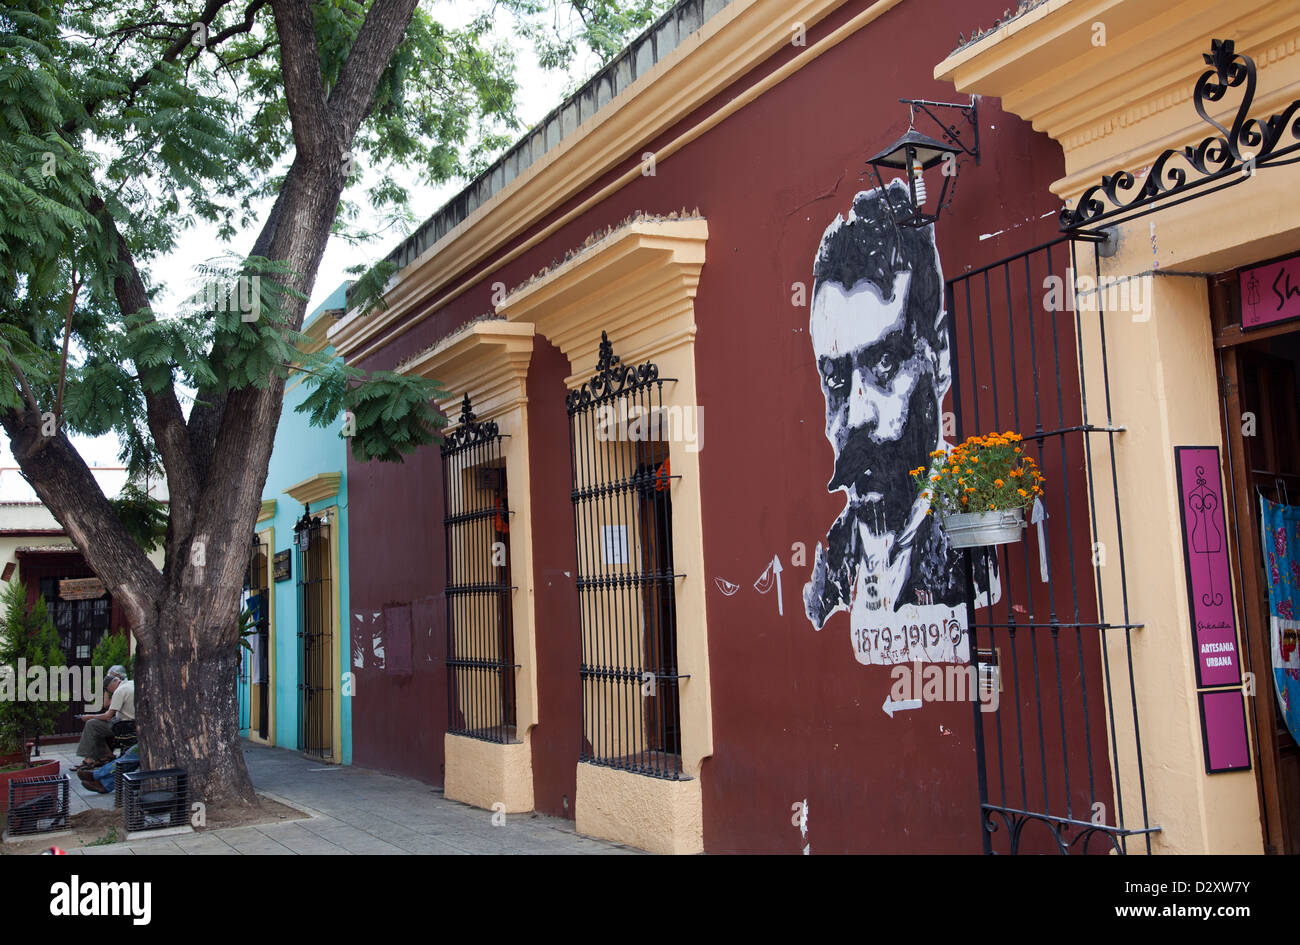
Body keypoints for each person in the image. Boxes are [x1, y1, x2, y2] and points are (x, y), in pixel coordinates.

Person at [803, 181, 997, 666]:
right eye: (837, 381)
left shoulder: (973, 552)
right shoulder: (829, 572)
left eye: (885, 364)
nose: (858, 416)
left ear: (940, 356)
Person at [73, 664, 133, 771]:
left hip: (124, 725)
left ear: (117, 678)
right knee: (97, 724)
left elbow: (107, 715)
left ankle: (89, 760)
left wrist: (87, 716)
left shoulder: (120, 690)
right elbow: (107, 706)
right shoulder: (130, 684)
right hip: (129, 723)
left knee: (92, 724)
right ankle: (106, 755)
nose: (109, 691)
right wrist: (107, 687)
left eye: (110, 677)